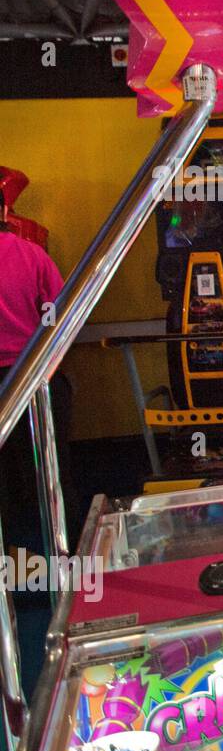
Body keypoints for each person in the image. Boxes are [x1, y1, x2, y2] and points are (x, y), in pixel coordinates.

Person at [0, 188, 72, 565]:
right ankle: (63, 565)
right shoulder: (32, 254)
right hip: (33, 376)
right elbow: (55, 317)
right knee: (49, 476)